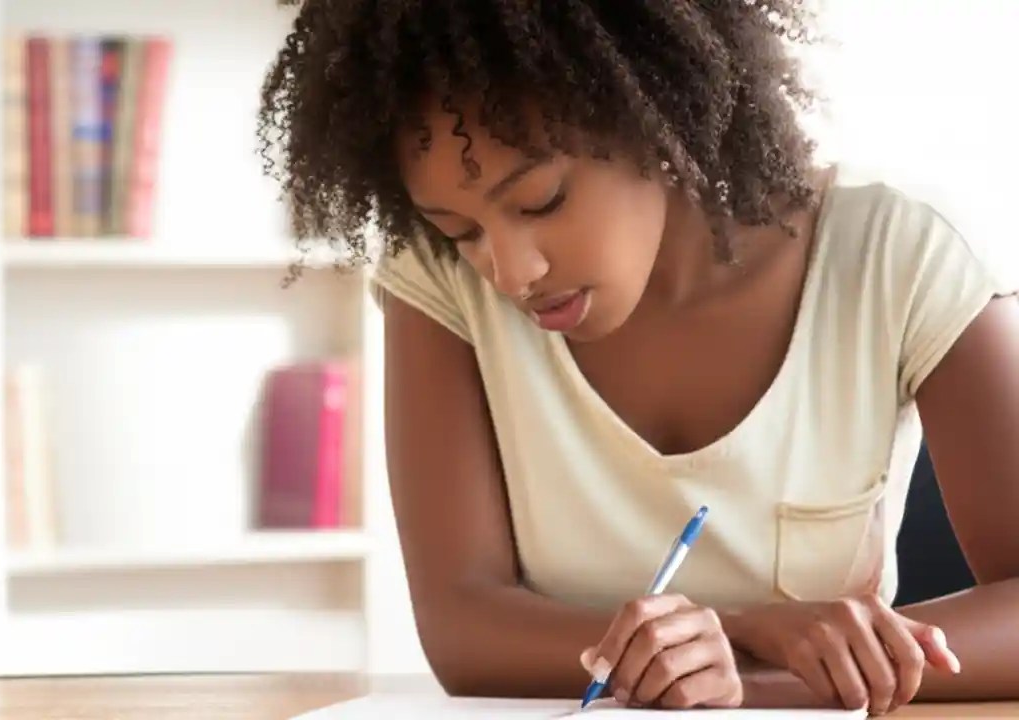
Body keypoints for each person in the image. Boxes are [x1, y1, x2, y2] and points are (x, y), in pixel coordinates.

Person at [256, 1, 1019, 714]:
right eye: (461, 229)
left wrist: (762, 685)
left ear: (657, 122)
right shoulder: (441, 284)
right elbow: (462, 627)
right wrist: (745, 633)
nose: (509, 270)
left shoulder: (898, 255)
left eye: (541, 202)